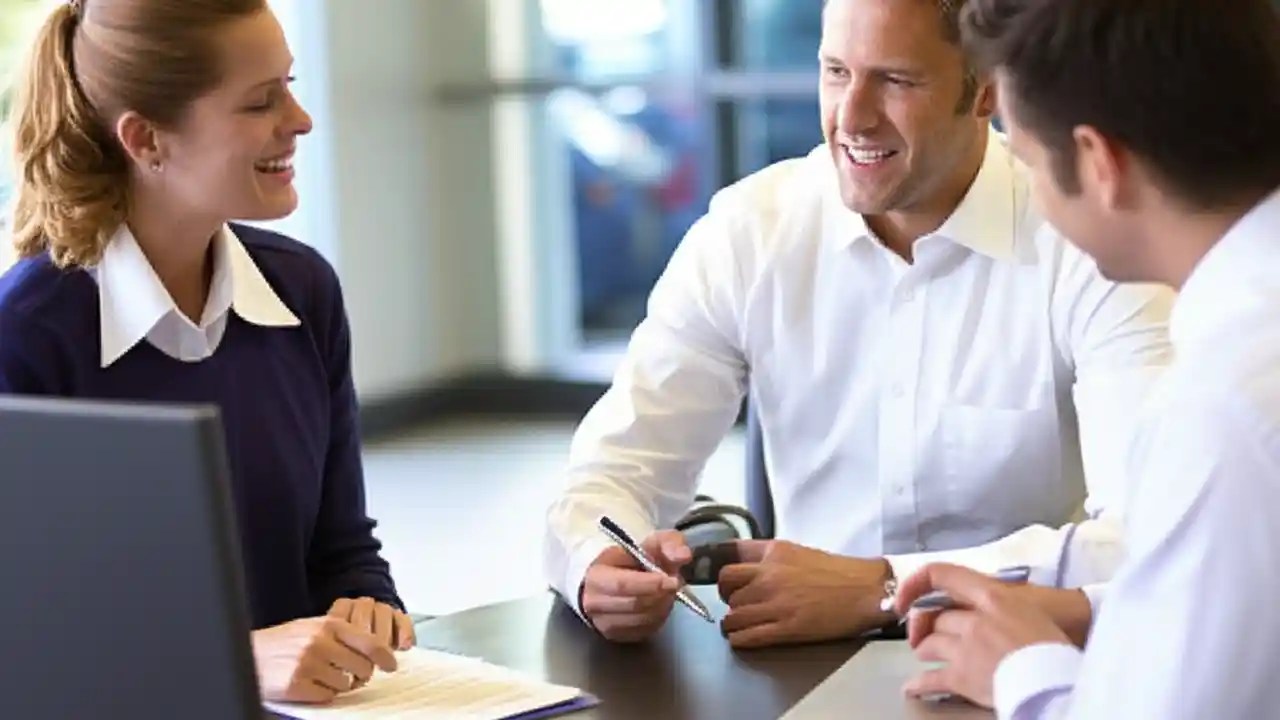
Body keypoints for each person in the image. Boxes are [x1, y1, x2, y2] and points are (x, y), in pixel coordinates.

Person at [544, 0, 1173, 648]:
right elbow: (610, 474)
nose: (851, 116)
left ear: (986, 89)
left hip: (1022, 660)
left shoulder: (1090, 245)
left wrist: (883, 584)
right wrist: (596, 564)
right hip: (804, 662)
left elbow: (1156, 537)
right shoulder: (750, 233)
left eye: (896, 80)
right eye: (836, 71)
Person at [0, 0, 412, 705]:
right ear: (146, 140)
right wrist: (233, 660)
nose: (301, 118)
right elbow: (28, 638)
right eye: (261, 102)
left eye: (290, 83)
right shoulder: (28, 336)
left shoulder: (302, 290)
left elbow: (341, 550)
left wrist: (366, 609)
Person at [893, 0, 1280, 717]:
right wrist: (1105, 609)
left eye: (1026, 157)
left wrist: (1022, 669)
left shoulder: (1221, 407)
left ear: (1100, 164)